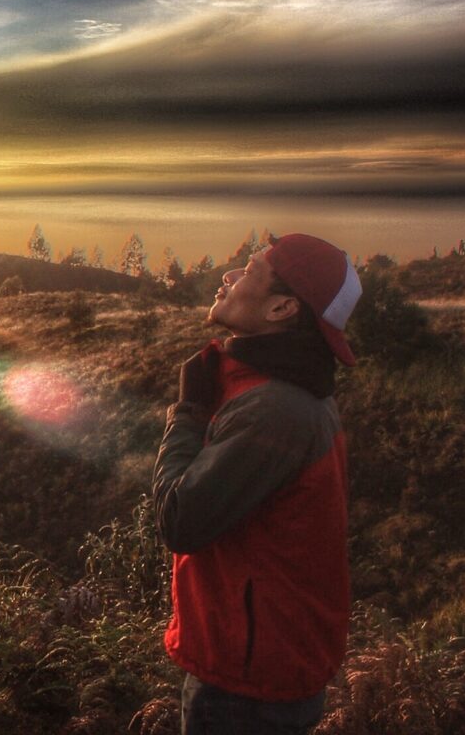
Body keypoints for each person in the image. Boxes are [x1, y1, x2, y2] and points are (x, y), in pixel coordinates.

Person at [152, 233, 362, 735]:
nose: (228, 277)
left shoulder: (274, 409)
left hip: (246, 687)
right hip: (257, 661)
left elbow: (179, 520)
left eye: (248, 271)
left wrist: (187, 413)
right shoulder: (281, 391)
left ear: (282, 308)